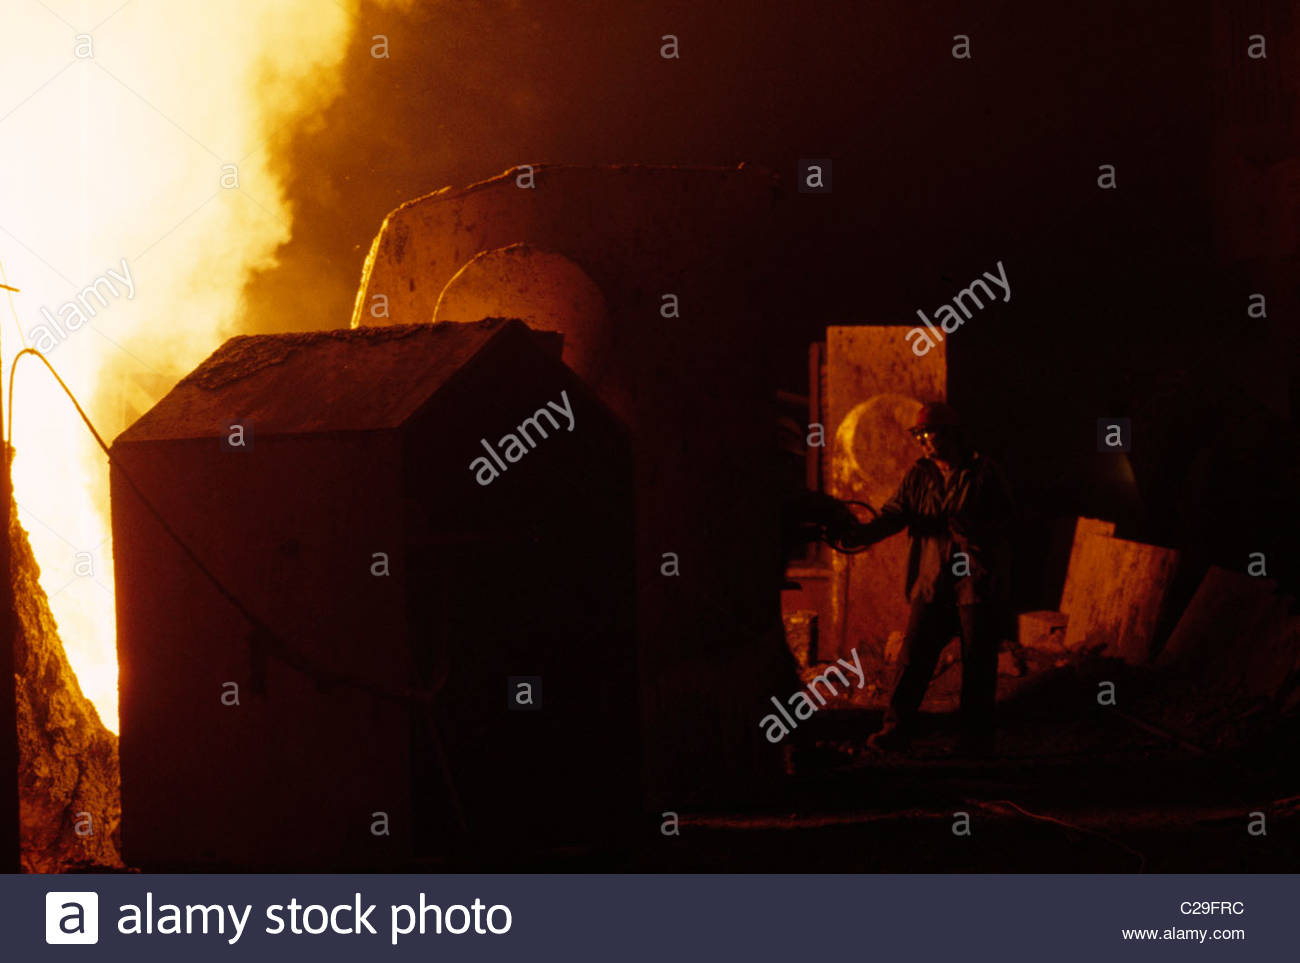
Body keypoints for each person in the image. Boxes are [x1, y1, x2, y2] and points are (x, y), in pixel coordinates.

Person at [845, 402, 1013, 756]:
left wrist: (976, 531)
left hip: (973, 582)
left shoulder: (983, 473)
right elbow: (895, 514)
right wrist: (862, 535)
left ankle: (975, 741)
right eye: (919, 435)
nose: (922, 441)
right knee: (913, 658)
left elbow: (1008, 522)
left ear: (951, 435)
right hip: (932, 580)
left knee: (978, 662)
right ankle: (895, 733)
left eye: (928, 434)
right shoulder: (919, 475)